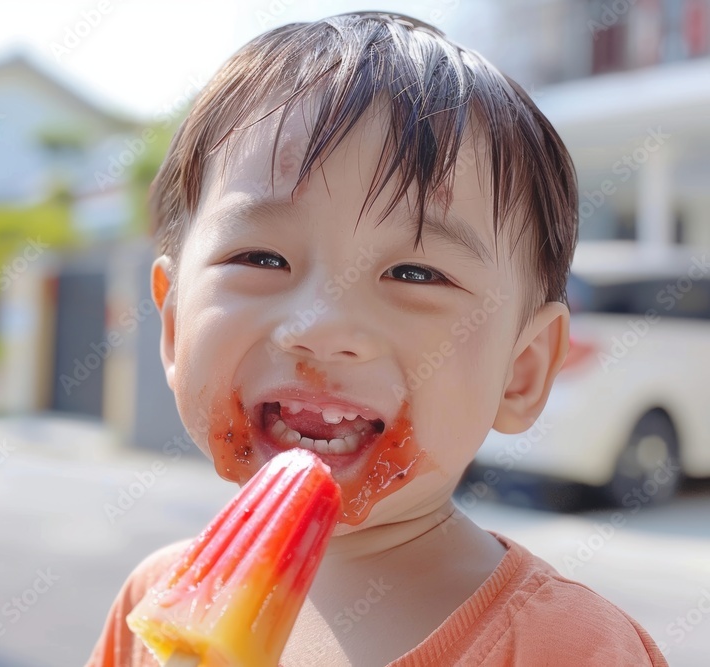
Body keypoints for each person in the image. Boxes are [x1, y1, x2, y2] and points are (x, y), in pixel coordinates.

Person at [88, 11, 668, 666]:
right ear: (171, 327)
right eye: (261, 257)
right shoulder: (151, 608)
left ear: (522, 371)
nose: (321, 330)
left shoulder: (572, 649)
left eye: (416, 272)